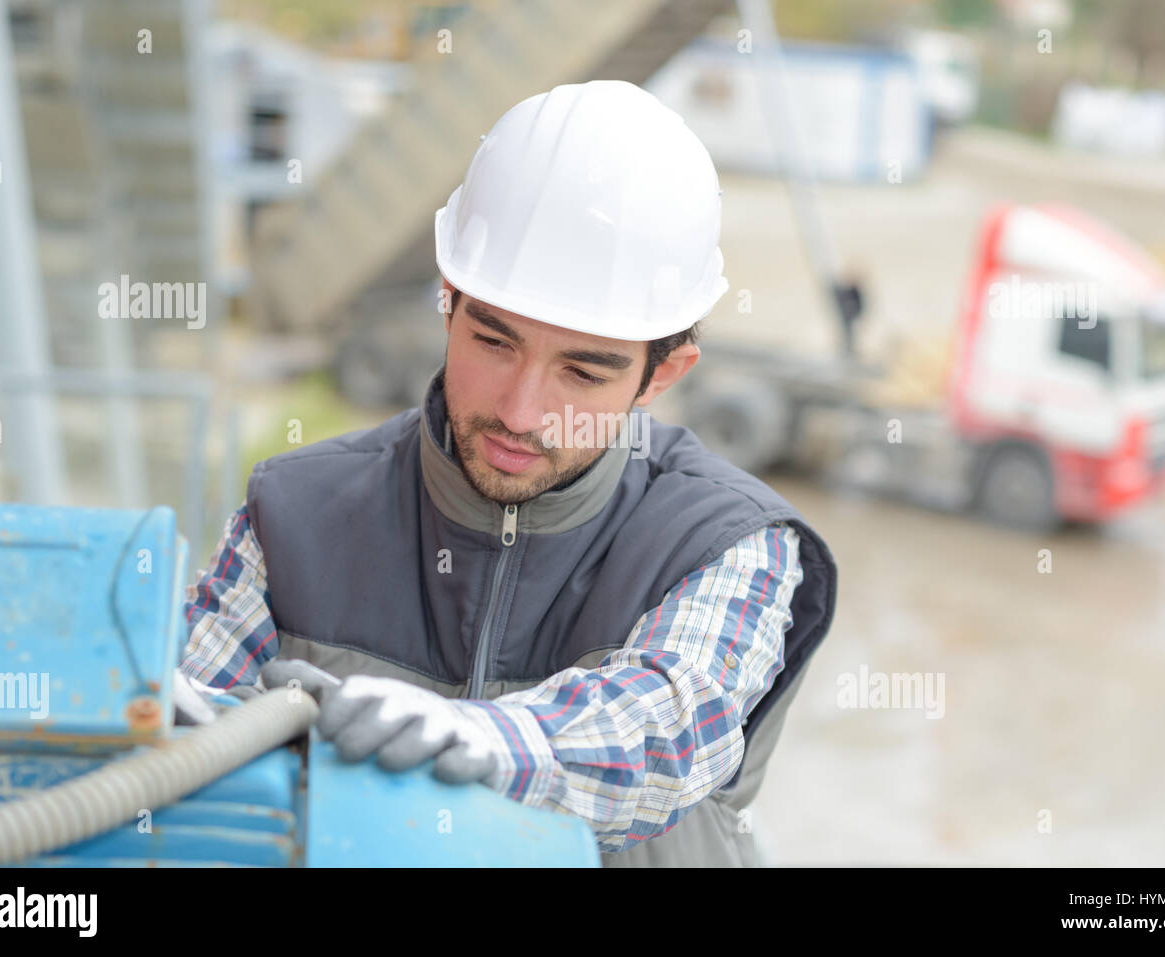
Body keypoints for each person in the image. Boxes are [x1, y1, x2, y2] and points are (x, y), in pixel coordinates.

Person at [180, 79, 837, 867]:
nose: (523, 412)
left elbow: (669, 730)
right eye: (494, 342)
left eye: (582, 374)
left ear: (664, 372)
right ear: (448, 301)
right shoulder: (293, 514)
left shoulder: (724, 542)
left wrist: (485, 739)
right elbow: (180, 752)